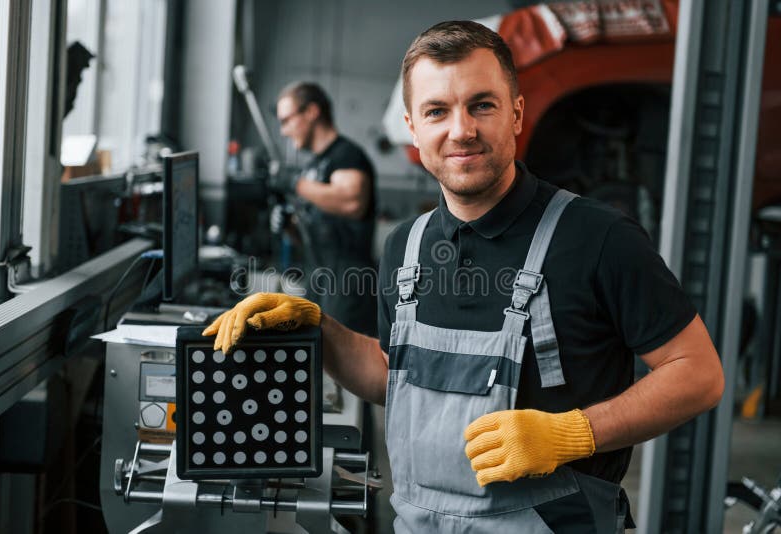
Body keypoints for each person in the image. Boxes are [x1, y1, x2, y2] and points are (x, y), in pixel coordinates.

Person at [204, 21, 724, 532]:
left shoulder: (598, 237)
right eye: (437, 111)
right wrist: (320, 331)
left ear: (516, 113)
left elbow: (698, 374)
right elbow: (394, 375)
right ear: (412, 127)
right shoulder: (404, 247)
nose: (461, 130)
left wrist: (573, 433)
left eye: (482, 105)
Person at [270, 81, 377, 336]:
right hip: (318, 282)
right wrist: (288, 226)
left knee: (341, 361)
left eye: (286, 121)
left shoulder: (346, 155)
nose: (283, 131)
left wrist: (295, 183)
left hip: (348, 288)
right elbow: (312, 235)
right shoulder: (313, 166)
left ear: (311, 112)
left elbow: (351, 202)